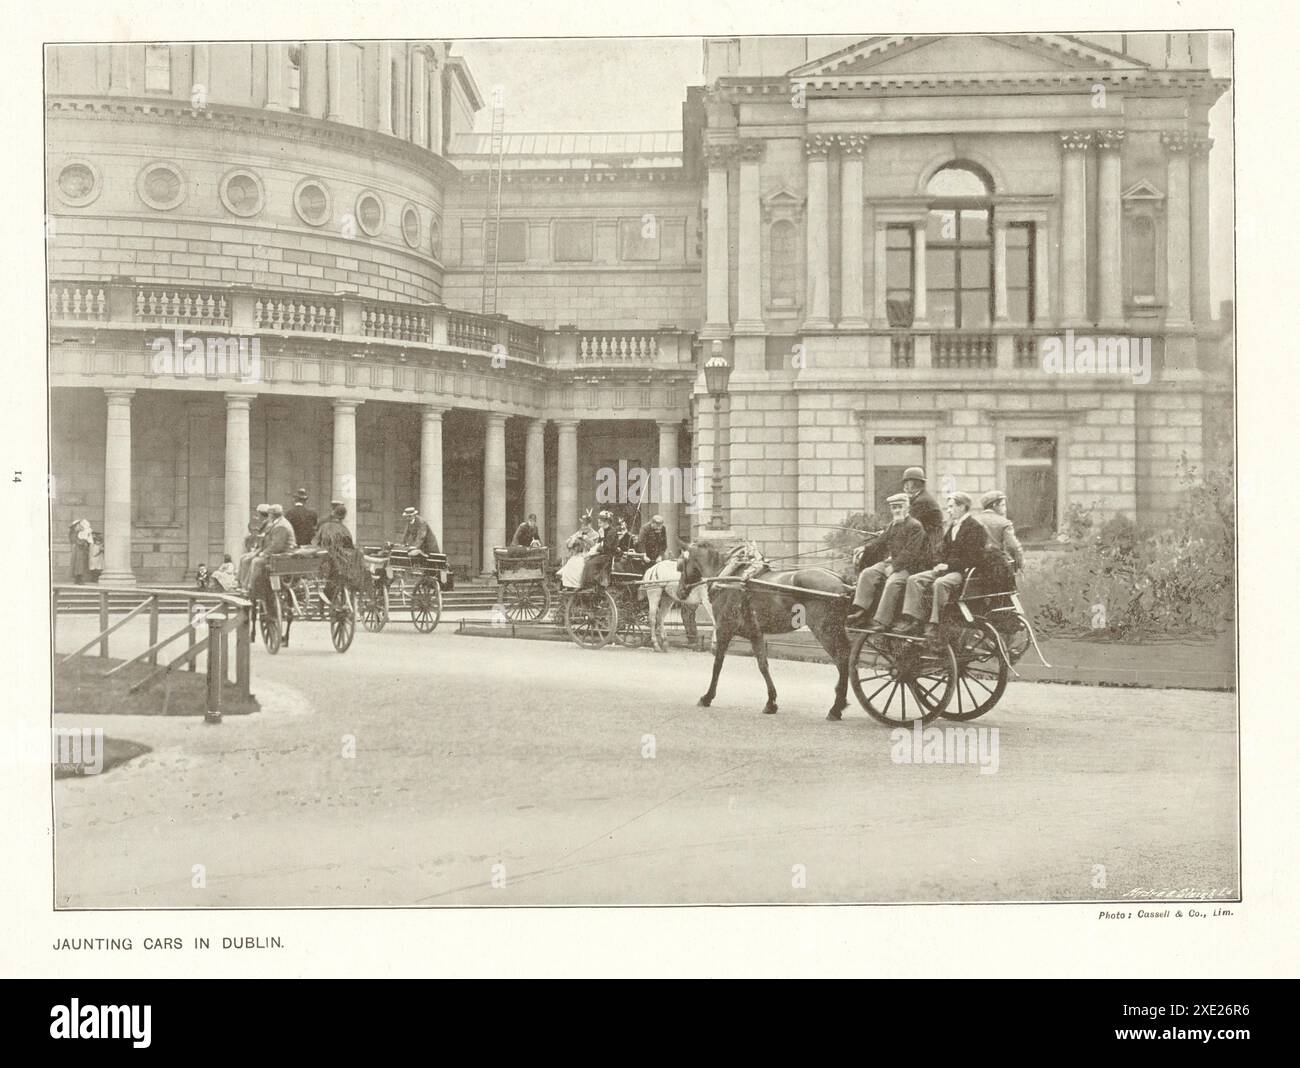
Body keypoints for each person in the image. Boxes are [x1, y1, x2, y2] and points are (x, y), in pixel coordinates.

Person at [899, 491, 990, 638]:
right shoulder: (953, 527)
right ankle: (914, 619)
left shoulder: (975, 528)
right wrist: (938, 563)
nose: (948, 510)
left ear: (962, 507)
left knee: (940, 583)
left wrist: (948, 566)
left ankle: (935, 623)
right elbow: (943, 550)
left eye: (951, 506)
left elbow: (974, 558)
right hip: (947, 569)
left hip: (962, 573)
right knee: (914, 579)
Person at [847, 492, 929, 631]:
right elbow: (880, 542)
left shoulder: (915, 526)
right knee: (868, 573)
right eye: (894, 507)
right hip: (892, 563)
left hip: (910, 567)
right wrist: (863, 548)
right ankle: (861, 610)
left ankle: (882, 621)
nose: (897, 510)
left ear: (907, 508)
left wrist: (894, 567)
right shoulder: (892, 525)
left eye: (900, 507)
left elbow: (910, 553)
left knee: (892, 582)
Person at [247, 503, 297, 596]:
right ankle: (248, 585)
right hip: (282, 554)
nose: (268, 516)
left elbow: (277, 546)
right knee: (254, 560)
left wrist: (264, 553)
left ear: (272, 515)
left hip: (281, 556)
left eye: (269, 514)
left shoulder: (281, 526)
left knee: (256, 562)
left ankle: (251, 588)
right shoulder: (280, 523)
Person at [973, 490, 1025, 573]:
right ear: (994, 505)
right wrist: (1020, 563)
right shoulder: (1004, 522)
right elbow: (1013, 546)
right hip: (997, 567)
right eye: (1003, 505)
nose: (1005, 509)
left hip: (975, 567)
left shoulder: (973, 521)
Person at [901, 466, 944, 565]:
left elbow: (907, 524)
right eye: (905, 483)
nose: (905, 486)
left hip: (928, 547)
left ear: (917, 483)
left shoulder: (922, 501)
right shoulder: (920, 498)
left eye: (908, 482)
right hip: (926, 543)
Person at [237, 504, 271, 588]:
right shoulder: (265, 523)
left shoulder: (268, 524)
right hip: (261, 549)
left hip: (263, 551)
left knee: (246, 560)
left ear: (261, 514)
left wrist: (256, 553)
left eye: (258, 514)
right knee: (243, 557)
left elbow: (265, 542)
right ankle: (240, 582)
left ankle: (245, 585)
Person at [69, 518, 93, 583]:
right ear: (75, 526)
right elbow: (78, 542)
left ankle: (78, 578)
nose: (80, 526)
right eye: (79, 525)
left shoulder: (78, 533)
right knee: (79, 565)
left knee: (80, 565)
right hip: (78, 551)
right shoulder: (74, 534)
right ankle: (79, 579)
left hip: (80, 550)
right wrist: (84, 540)